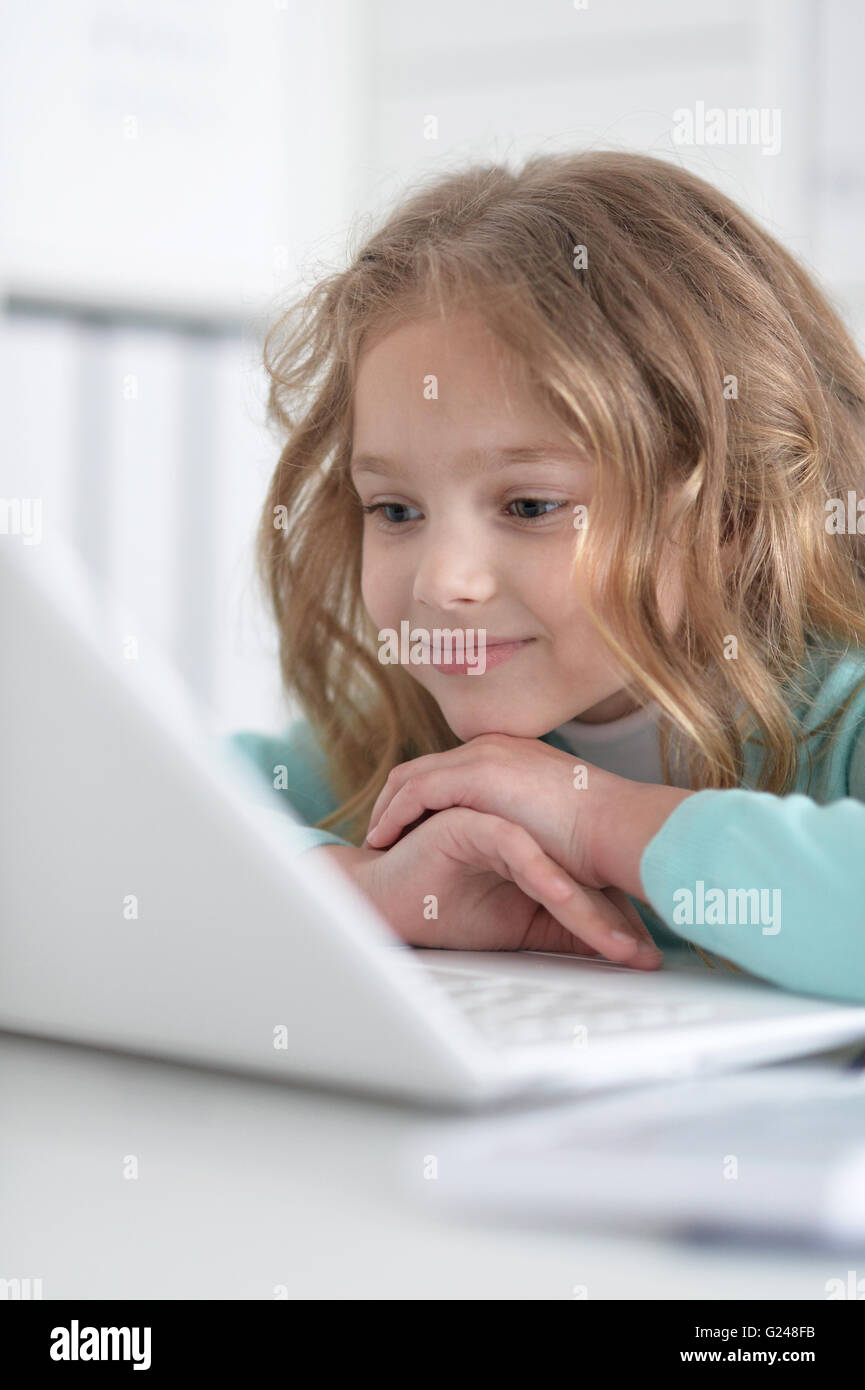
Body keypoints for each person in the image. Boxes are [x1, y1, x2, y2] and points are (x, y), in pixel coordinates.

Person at [229, 149, 865, 1004]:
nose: (442, 583)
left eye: (529, 507)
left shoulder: (840, 726)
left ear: (732, 515)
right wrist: (357, 889)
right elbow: (125, 811)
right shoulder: (406, 742)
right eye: (395, 511)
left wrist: (593, 819)